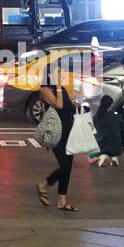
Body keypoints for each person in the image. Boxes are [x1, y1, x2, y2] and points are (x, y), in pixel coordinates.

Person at [36, 66, 78, 212]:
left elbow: (69, 107)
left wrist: (76, 104)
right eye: (57, 72)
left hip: (69, 132)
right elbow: (58, 105)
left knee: (68, 168)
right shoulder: (45, 90)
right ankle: (44, 184)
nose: (61, 74)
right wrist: (59, 85)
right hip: (56, 133)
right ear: (49, 74)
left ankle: (62, 201)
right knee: (64, 166)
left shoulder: (62, 89)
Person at [89, 94, 124, 167]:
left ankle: (102, 156)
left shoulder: (96, 117)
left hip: (101, 146)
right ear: (111, 105)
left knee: (90, 159)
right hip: (117, 147)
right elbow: (123, 131)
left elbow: (91, 130)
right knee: (115, 140)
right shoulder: (117, 116)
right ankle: (114, 157)